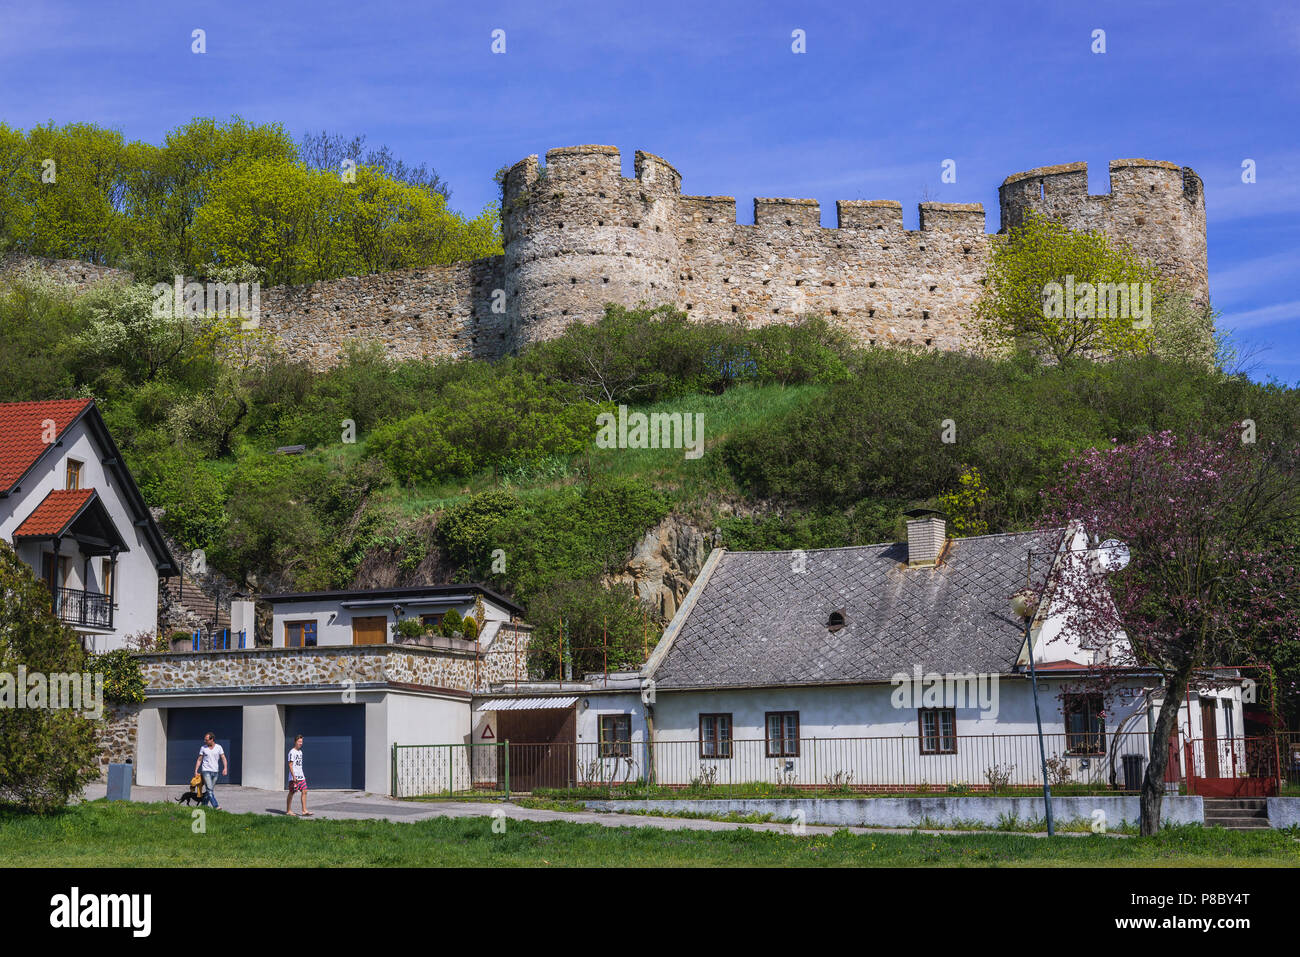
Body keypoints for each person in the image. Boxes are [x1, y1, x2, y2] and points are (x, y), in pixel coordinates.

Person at [193, 732, 228, 809]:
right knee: (209, 789)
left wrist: (225, 768)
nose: (205, 741)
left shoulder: (219, 747)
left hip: (215, 771)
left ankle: (203, 806)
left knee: (210, 790)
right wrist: (196, 770)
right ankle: (216, 806)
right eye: (205, 739)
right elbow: (199, 759)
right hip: (206, 771)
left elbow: (223, 758)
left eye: (206, 740)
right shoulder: (203, 748)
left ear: (212, 739)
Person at [286, 734, 311, 817]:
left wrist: (301, 774)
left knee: (305, 791)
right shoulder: (292, 752)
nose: (300, 743)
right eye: (299, 742)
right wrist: (293, 776)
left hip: (301, 776)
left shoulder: (300, 752)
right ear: (295, 742)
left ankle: (304, 811)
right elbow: (290, 765)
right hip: (294, 777)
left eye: (301, 742)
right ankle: (288, 810)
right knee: (292, 792)